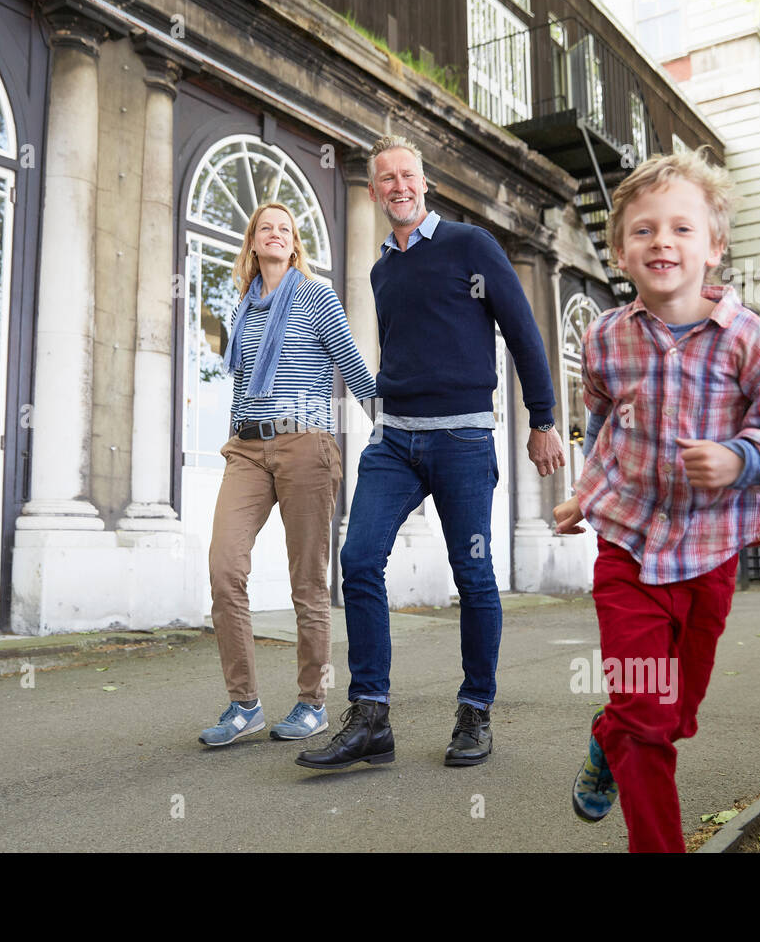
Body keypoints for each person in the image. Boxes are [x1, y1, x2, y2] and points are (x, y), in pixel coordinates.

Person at [553, 147, 760, 851]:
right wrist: (587, 491)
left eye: (681, 229)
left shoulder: (748, 341)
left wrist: (743, 457)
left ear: (714, 247)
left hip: (711, 557)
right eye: (643, 230)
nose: (662, 242)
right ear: (618, 250)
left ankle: (606, 736)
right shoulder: (606, 338)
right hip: (628, 549)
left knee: (675, 715)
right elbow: (605, 421)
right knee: (649, 716)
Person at [295, 135, 566, 771]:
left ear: (425, 182)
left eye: (407, 175)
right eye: (385, 178)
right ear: (374, 191)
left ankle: (475, 710)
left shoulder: (471, 247)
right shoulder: (381, 269)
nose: (398, 186)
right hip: (394, 440)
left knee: (473, 576)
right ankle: (370, 717)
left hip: (464, 438)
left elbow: (523, 333)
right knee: (359, 558)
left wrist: (544, 420)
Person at [198, 202, 377, 747]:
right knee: (225, 569)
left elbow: (354, 370)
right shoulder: (244, 309)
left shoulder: (316, 296)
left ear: (293, 244)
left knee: (308, 582)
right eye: (264, 228)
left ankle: (312, 703)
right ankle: (243, 702)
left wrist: (396, 438)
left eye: (285, 229)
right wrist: (234, 436)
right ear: (252, 242)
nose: (274, 235)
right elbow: (240, 381)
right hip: (248, 449)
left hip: (305, 445)